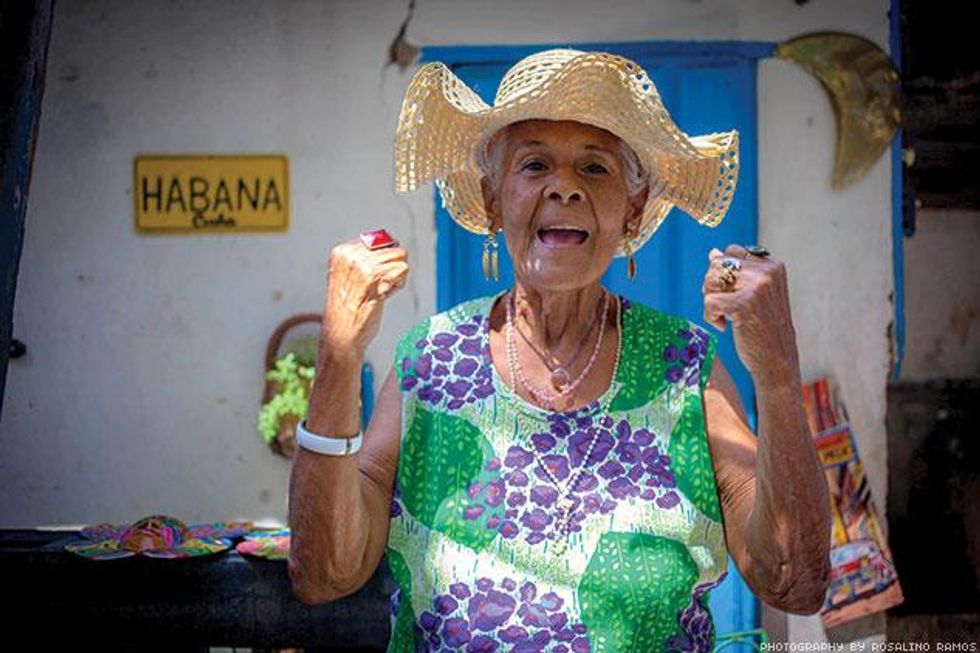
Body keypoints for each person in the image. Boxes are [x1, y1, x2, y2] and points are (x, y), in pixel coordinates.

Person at [288, 49, 832, 652]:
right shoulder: (431, 360)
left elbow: (793, 581)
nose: (565, 188)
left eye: (595, 169)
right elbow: (323, 573)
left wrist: (778, 374)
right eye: (535, 164)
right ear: (493, 200)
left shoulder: (686, 365)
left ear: (632, 209)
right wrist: (338, 355)